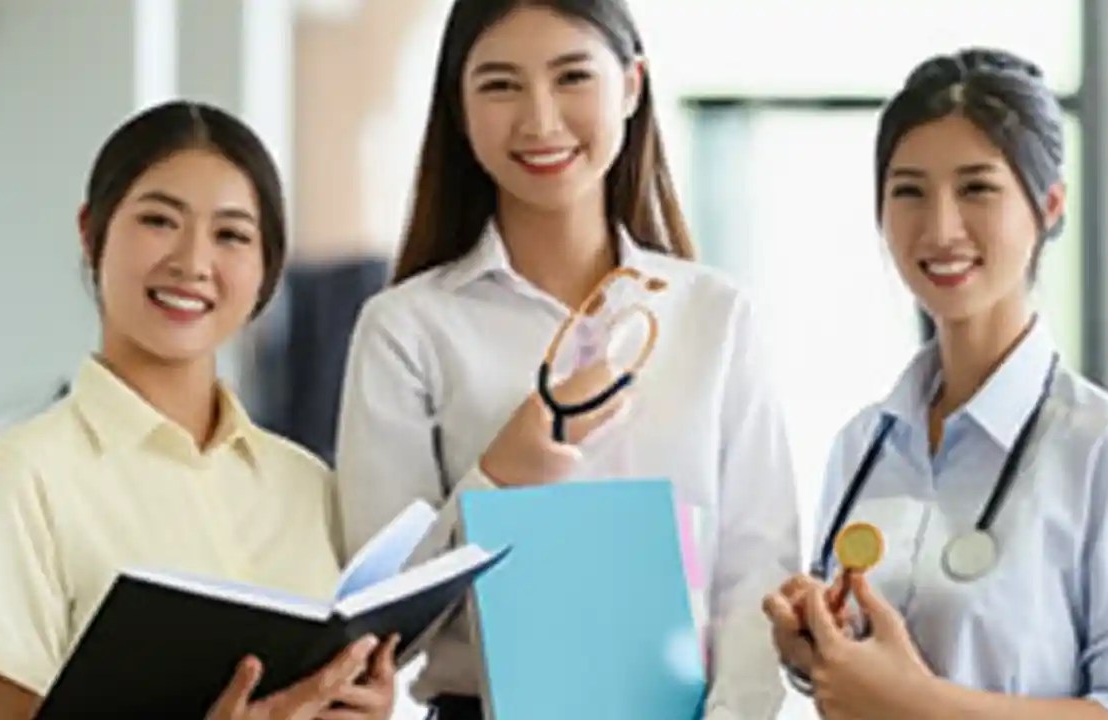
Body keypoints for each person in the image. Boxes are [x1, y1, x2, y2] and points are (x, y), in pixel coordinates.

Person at [334, 1, 800, 718]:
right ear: (458, 107)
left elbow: (756, 571)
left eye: (572, 77)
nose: (540, 120)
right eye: (499, 84)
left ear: (633, 86)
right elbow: (379, 620)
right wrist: (495, 479)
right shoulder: (406, 327)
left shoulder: (715, 314)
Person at [763, 48, 1108, 719]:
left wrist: (919, 702)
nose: (940, 228)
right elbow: (861, 678)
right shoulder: (863, 447)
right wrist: (811, 650)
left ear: (1049, 205)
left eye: (976, 188)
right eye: (908, 191)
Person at [0, 101, 398, 720]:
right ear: (90, 229)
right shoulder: (20, 477)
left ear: (266, 268)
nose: (192, 263)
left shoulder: (309, 486)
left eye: (232, 235)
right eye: (159, 221)